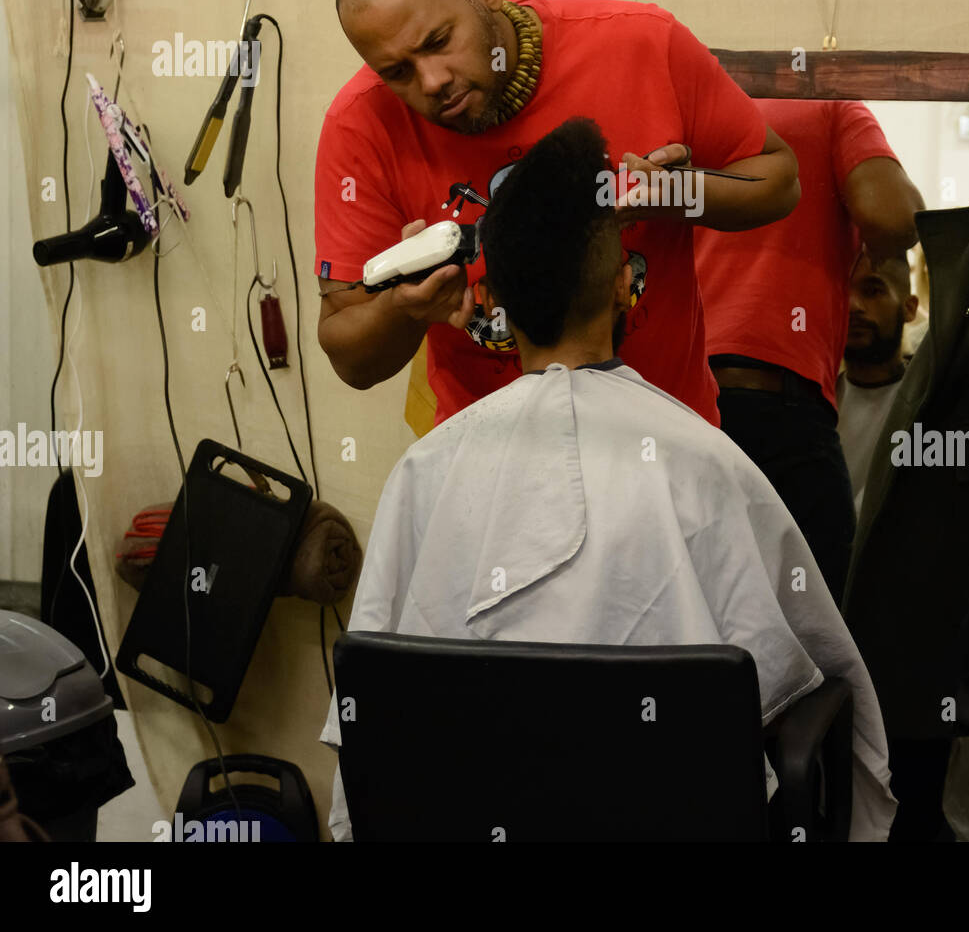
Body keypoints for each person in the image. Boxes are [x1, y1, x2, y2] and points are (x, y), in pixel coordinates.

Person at [318, 118, 896, 842]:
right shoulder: (706, 462)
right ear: (627, 283)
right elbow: (812, 681)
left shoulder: (424, 473)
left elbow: (370, 716)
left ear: (490, 298)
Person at [314, 0, 799, 431]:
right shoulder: (360, 125)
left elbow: (779, 180)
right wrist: (404, 308)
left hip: (666, 446)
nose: (432, 82)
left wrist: (682, 194)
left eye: (439, 41)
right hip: (495, 464)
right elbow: (351, 358)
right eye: (397, 73)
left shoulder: (642, 43)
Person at [695, 99, 921, 603]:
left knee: (700, 621)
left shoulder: (702, 109)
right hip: (779, 409)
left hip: (683, 411)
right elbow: (895, 217)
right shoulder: (833, 108)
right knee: (820, 634)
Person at [837, 250, 918, 519]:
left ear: (909, 308)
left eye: (872, 291)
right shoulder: (811, 406)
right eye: (840, 292)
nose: (853, 306)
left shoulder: (929, 405)